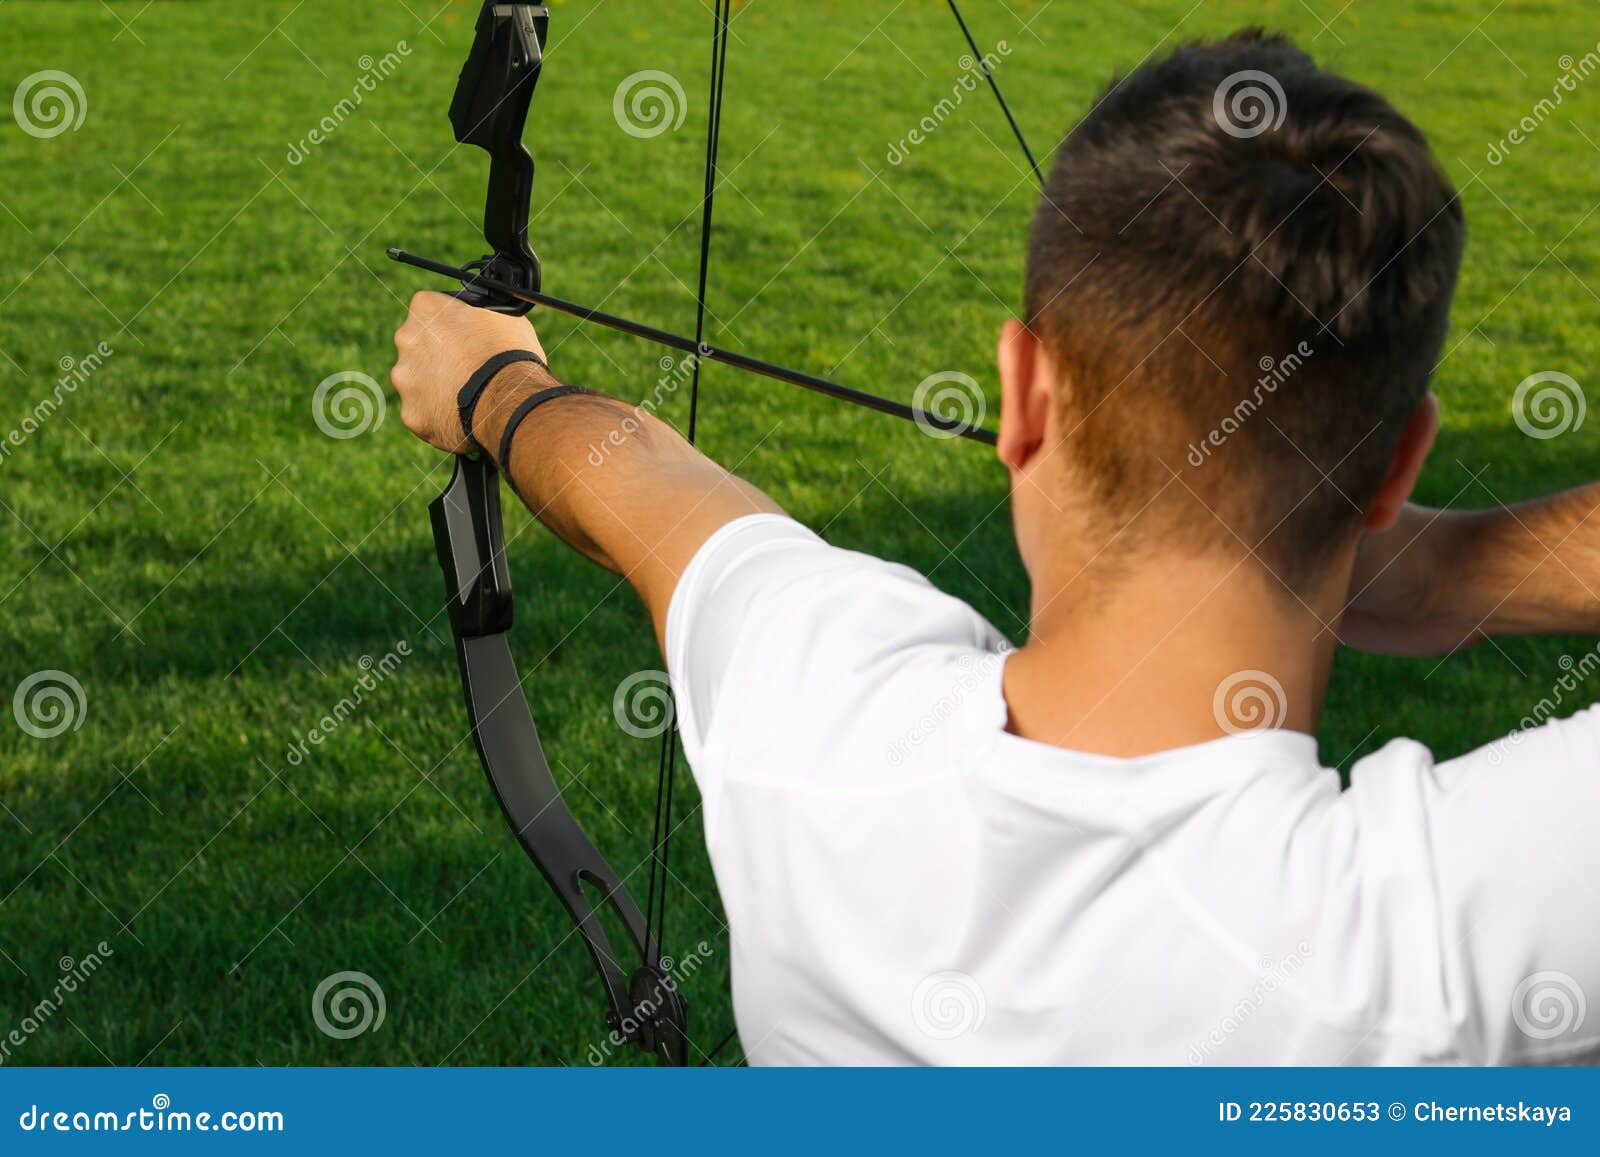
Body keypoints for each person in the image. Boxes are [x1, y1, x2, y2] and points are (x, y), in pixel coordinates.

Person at [390, 30, 1599, 1064]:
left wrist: (490, 380)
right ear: (1400, 462)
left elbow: (637, 482)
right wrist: (1427, 565)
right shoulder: (1438, 936)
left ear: (1021, 390)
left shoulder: (820, 722)